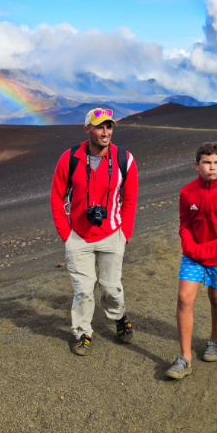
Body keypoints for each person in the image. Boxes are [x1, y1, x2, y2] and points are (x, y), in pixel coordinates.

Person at [50, 108, 138, 356]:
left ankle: (118, 317)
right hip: (78, 236)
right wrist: (66, 234)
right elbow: (57, 198)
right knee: (83, 289)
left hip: (112, 234)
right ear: (87, 128)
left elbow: (130, 199)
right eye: (99, 127)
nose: (105, 132)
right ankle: (82, 332)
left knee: (111, 287)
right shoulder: (70, 158)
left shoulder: (124, 159)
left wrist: (125, 233)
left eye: (109, 127)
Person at [166, 142, 217, 380]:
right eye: (207, 162)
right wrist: (192, 249)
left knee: (216, 298)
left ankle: (215, 342)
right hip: (193, 255)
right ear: (197, 165)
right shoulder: (187, 192)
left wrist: (205, 251)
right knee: (183, 298)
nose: (212, 167)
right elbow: (184, 225)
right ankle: (185, 358)